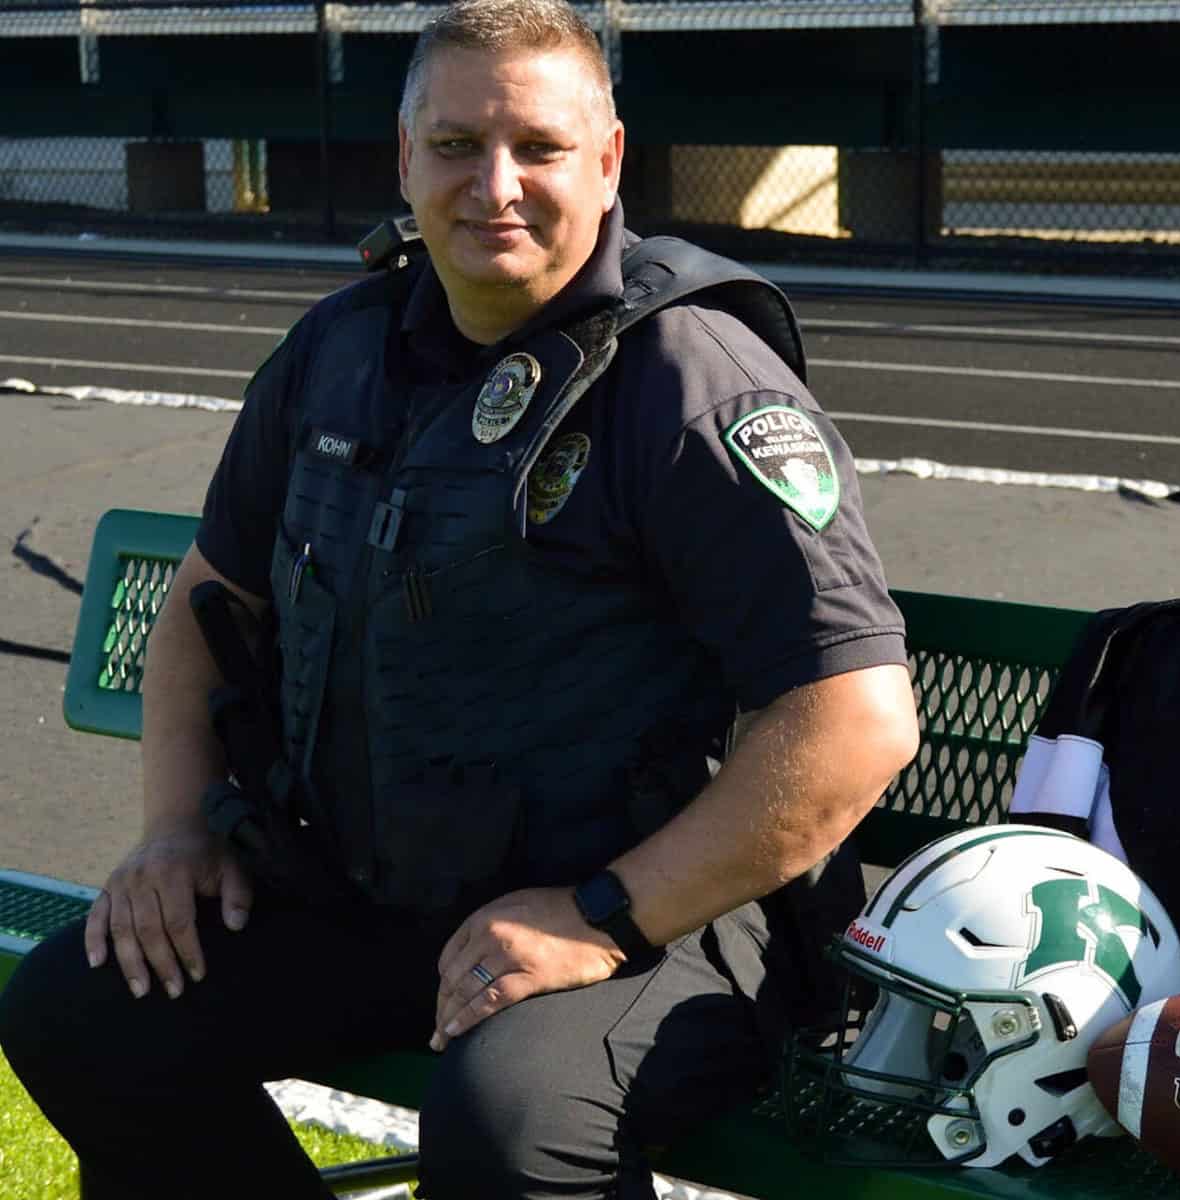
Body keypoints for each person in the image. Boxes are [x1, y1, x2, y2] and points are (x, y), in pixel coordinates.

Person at [0, 1, 920, 1196]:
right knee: (91, 1007)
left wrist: (601, 915)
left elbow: (854, 718)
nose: (495, 184)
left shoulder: (690, 388)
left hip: (665, 921)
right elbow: (206, 604)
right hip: (380, 894)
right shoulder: (337, 352)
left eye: (537, 147)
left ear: (608, 161)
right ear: (402, 158)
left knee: (508, 1118)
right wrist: (177, 829)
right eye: (454, 145)